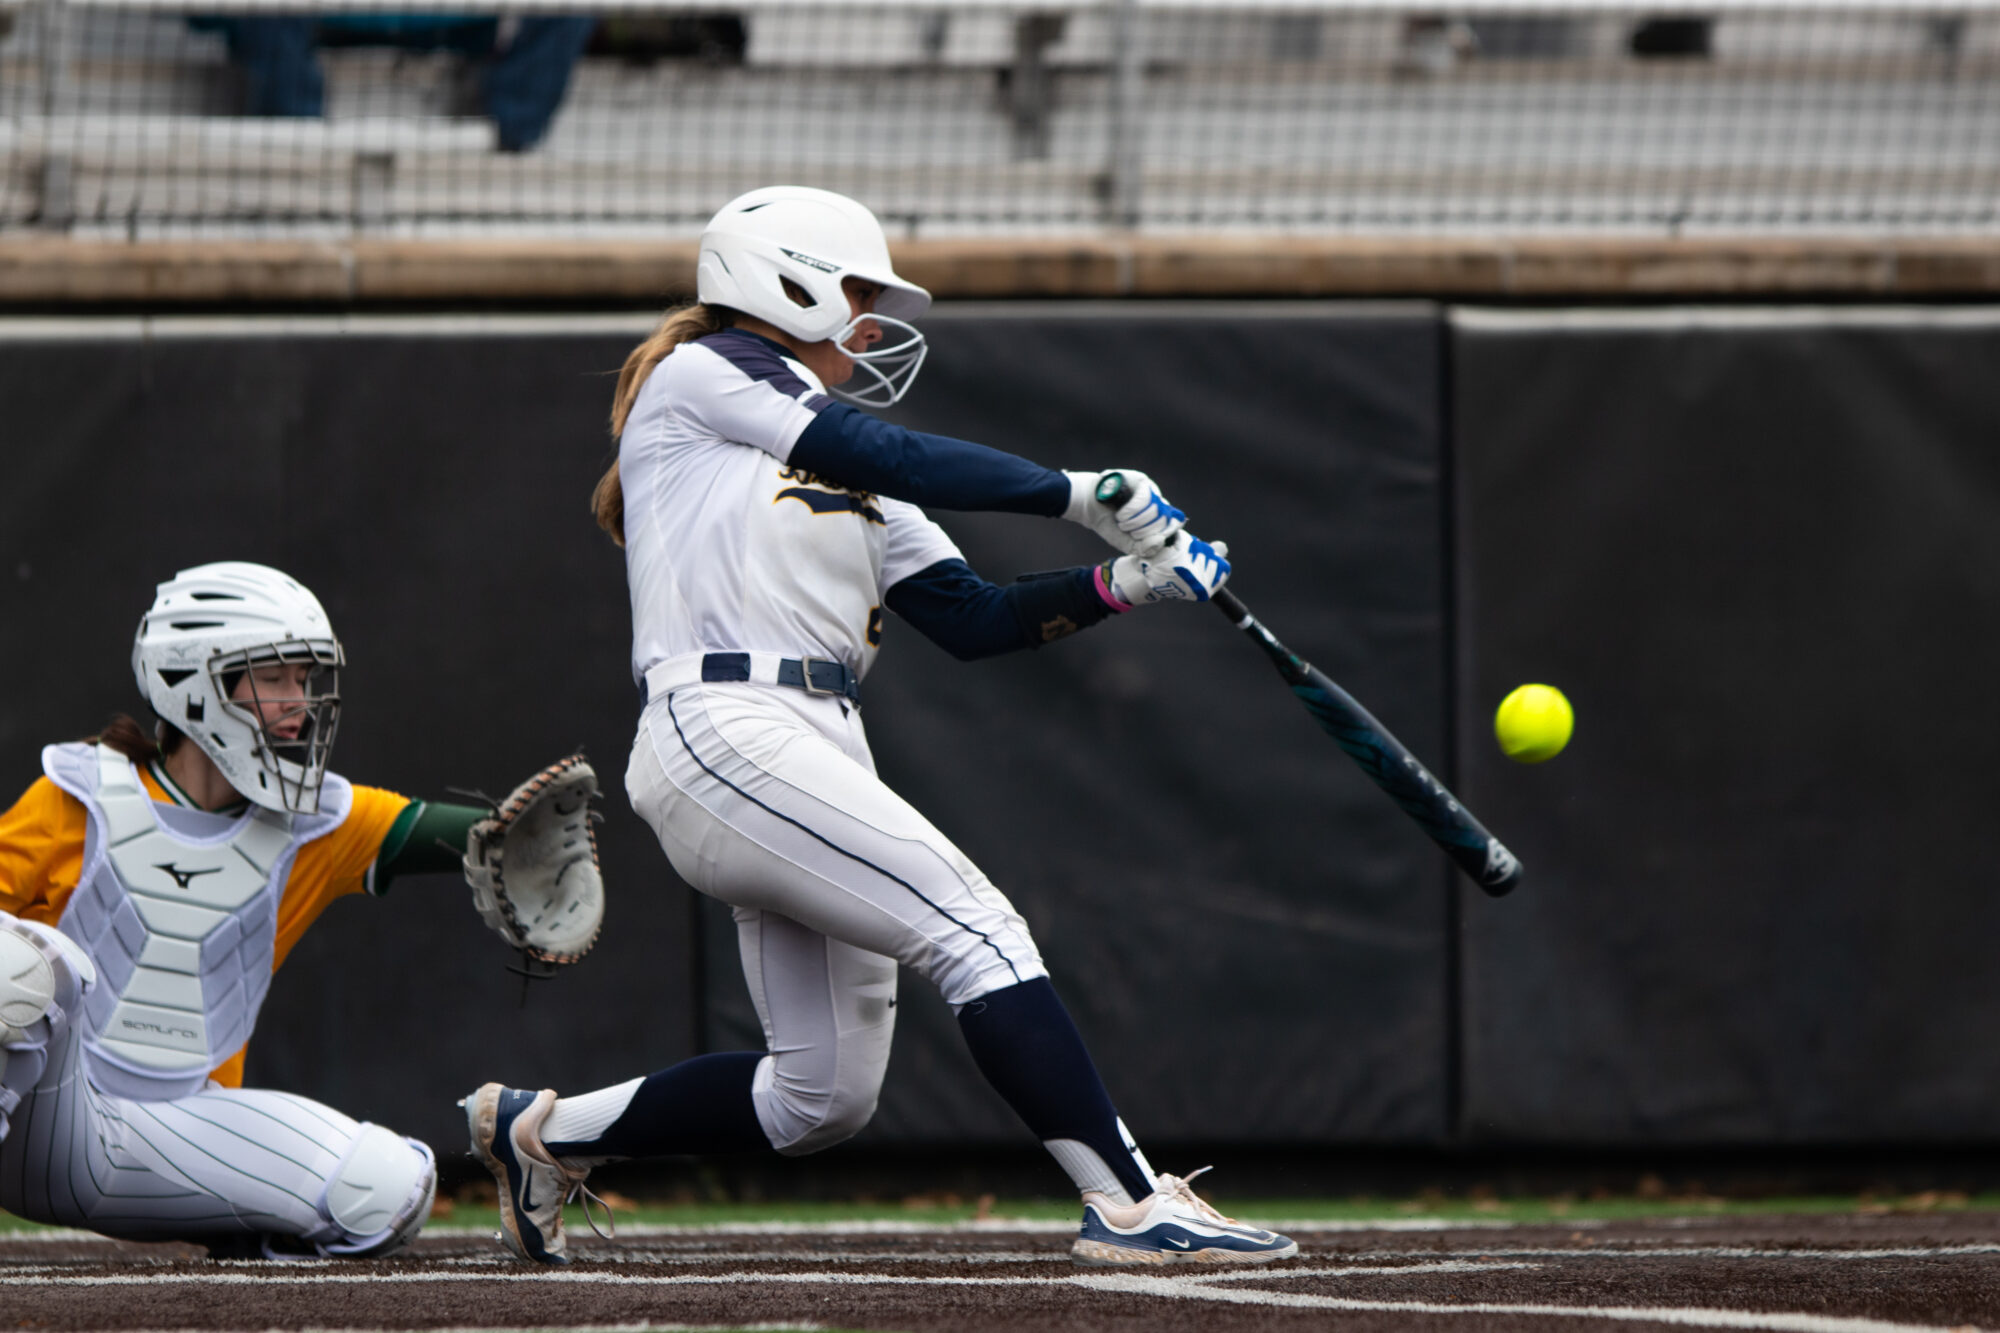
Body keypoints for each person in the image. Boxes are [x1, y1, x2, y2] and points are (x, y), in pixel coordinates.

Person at [461, 185, 1298, 1269]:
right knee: (977, 926)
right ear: (782, 280)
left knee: (818, 1097)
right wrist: (1078, 489)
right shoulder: (704, 375)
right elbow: (886, 453)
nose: (867, 315)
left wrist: (1126, 582)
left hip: (811, 738)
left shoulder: (853, 469)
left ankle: (540, 1132)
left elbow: (971, 618)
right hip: (724, 722)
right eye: (854, 289)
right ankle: (1131, 1202)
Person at [0, 561, 590, 1257]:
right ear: (194, 681)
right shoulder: (80, 793)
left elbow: (471, 836)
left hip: (175, 1131)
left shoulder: (314, 820)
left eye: (306, 681)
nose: (300, 703)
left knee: (389, 1189)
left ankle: (235, 1231)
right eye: (275, 677)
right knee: (30, 963)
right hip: (39, 1120)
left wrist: (528, 846)